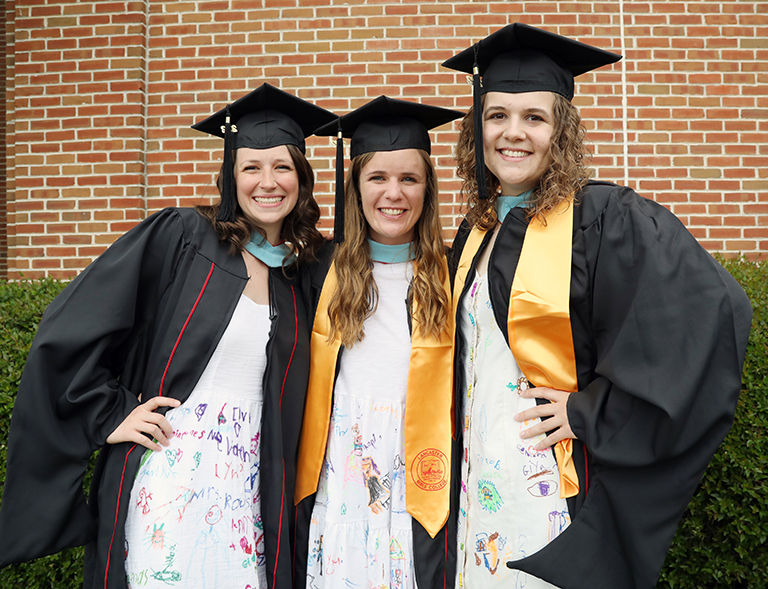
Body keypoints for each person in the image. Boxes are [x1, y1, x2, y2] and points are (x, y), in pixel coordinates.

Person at [441, 23, 752, 589]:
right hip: (479, 483)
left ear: (560, 130)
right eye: (497, 115)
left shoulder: (601, 218)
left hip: (553, 486)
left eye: (534, 117)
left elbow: (708, 313)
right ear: (476, 130)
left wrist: (591, 410)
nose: (513, 133)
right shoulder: (474, 233)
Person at [0, 83, 337, 589]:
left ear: (302, 179)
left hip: (252, 486)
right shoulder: (184, 238)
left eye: (283, 167)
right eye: (251, 167)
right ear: (230, 177)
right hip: (173, 474)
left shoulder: (302, 274)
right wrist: (108, 414)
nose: (268, 182)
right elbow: (76, 322)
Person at [291, 97, 463, 589]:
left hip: (419, 463)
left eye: (410, 179)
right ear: (355, 187)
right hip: (344, 467)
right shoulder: (317, 270)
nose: (394, 193)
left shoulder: (451, 273)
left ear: (428, 189)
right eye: (378, 178)